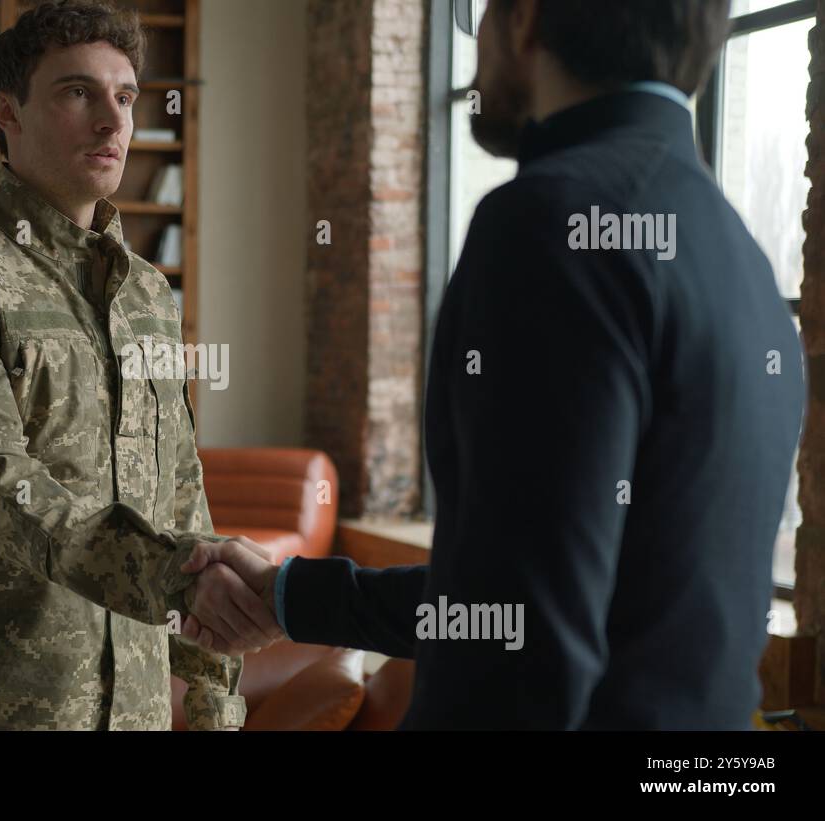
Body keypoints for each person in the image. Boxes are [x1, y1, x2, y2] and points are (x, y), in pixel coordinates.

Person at [183, 0, 806, 730]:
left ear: (527, 20)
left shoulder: (550, 224)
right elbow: (528, 591)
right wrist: (292, 595)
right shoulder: (745, 263)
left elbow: (516, 650)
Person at [0, 0, 280, 731]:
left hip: (139, 714)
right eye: (77, 92)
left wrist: (215, 697)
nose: (112, 121)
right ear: (7, 113)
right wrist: (172, 579)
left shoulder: (148, 291)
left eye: (124, 96)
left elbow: (180, 491)